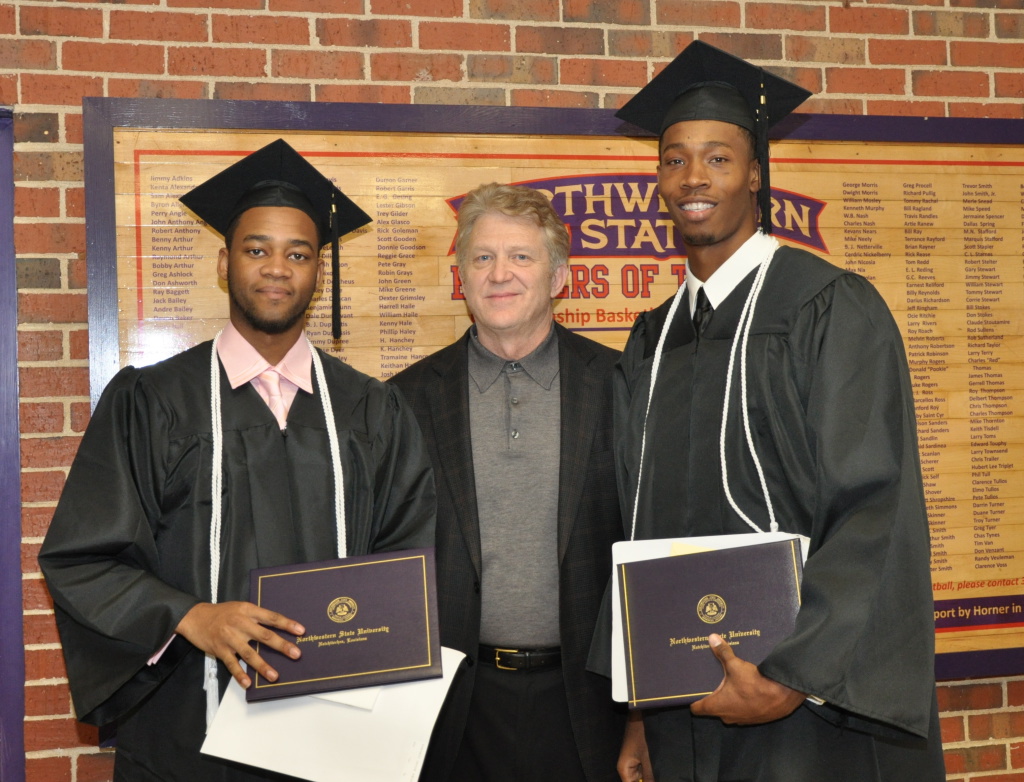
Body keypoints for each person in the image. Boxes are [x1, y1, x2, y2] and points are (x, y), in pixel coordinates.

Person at [39, 139, 436, 781]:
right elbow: (84, 557)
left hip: (335, 738)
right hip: (187, 739)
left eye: (298, 253)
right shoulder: (154, 401)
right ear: (225, 263)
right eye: (257, 249)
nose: (277, 268)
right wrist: (192, 616)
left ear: (318, 272)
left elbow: (410, 564)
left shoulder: (371, 411)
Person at [609, 42, 945, 781]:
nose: (693, 178)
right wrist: (637, 709)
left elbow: (874, 510)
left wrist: (791, 675)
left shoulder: (828, 308)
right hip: (683, 710)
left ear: (756, 172)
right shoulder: (652, 339)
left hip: (807, 709)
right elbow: (635, 526)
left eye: (719, 158)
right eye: (673, 160)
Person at [389, 183, 624, 782]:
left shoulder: (621, 386)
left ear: (560, 278)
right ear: (461, 276)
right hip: (451, 708)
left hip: (590, 703)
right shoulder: (405, 400)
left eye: (521, 257)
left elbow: (647, 543)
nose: (500, 274)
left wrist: (645, 715)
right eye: (482, 257)